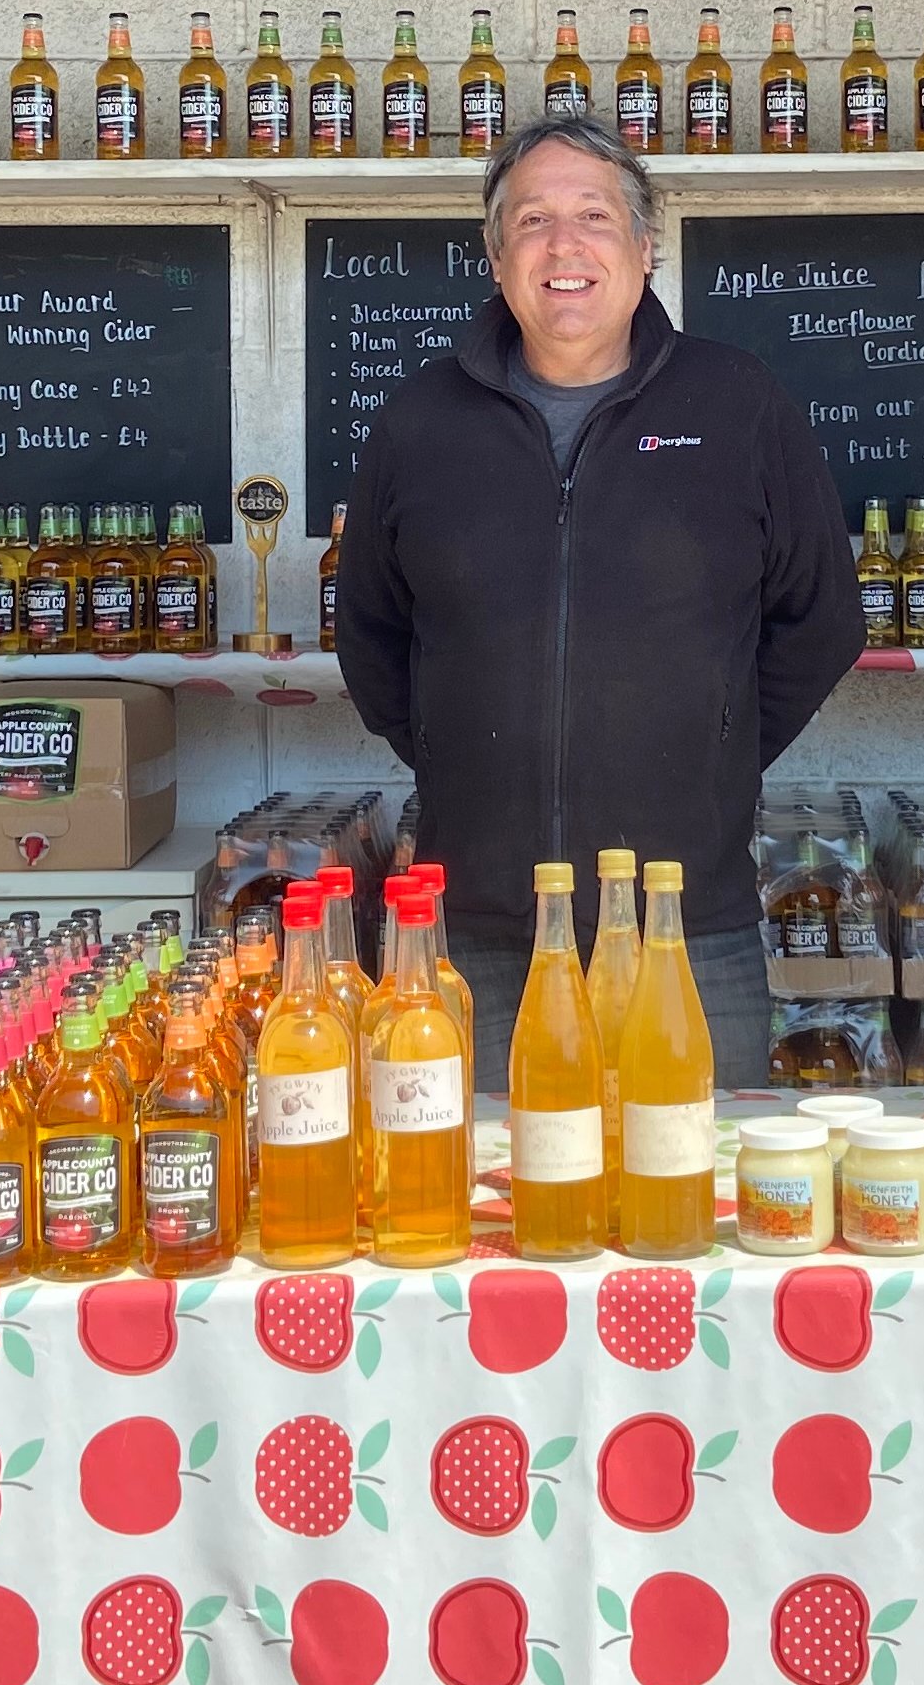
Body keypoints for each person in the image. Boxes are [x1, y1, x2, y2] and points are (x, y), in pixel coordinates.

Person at [333, 113, 863, 1094]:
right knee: (488, 1217)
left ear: (646, 247)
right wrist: (466, 748)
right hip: (478, 935)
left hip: (682, 927)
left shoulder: (738, 403)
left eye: (593, 216)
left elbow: (820, 617)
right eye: (531, 220)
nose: (563, 245)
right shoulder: (419, 422)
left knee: (695, 1211)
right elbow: (370, 634)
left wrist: (713, 747)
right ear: (495, 257)